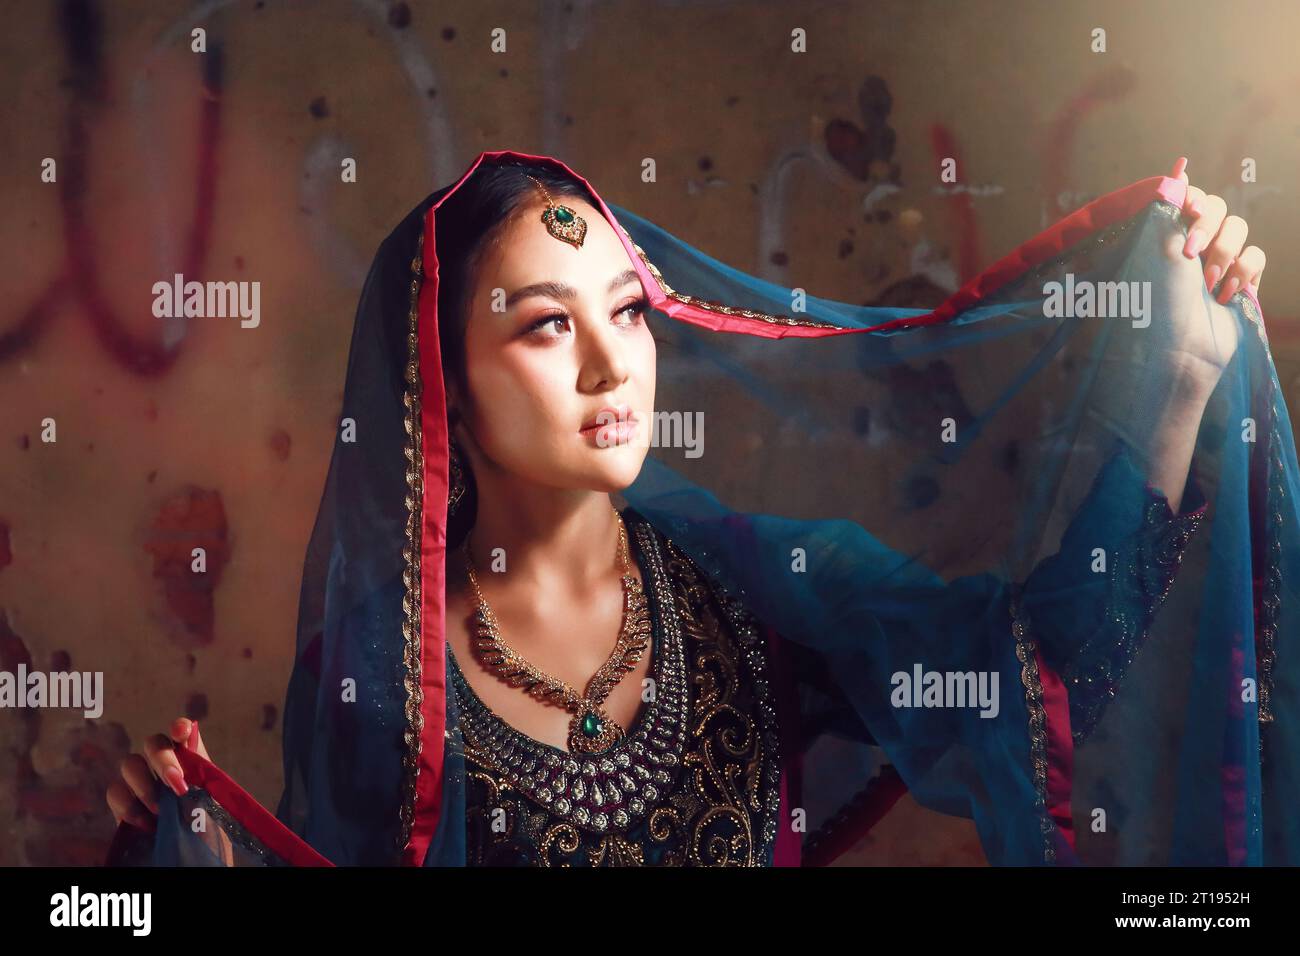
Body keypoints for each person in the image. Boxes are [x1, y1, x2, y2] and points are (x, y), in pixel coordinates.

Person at [106, 150, 1297, 866]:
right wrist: (179, 840)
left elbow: (1038, 675)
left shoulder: (756, 583)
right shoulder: (376, 666)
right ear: (443, 388)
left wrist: (1182, 381)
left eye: (626, 312)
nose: (610, 366)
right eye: (543, 325)